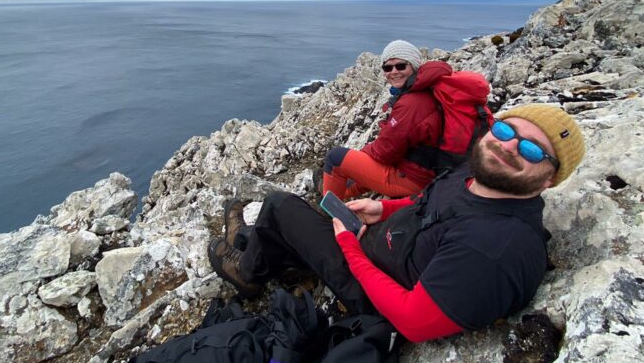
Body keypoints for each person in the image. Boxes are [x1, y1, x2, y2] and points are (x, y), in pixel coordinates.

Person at [208, 104, 585, 343]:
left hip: (374, 295)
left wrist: (352, 250)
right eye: (505, 131)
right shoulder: (476, 173)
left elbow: (414, 322)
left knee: (278, 206)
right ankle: (270, 251)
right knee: (290, 222)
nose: (508, 147)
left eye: (533, 150)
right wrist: (384, 211)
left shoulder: (494, 248)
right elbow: (428, 203)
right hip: (381, 244)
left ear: (550, 178)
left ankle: (248, 274)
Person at [321, 40, 453, 199]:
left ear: (414, 66)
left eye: (401, 66)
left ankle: (329, 213)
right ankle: (337, 193)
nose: (394, 71)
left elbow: (385, 152)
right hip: (423, 170)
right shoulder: (424, 90)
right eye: (387, 67)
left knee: (335, 158)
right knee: (352, 177)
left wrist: (362, 154)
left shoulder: (413, 102)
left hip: (413, 180)